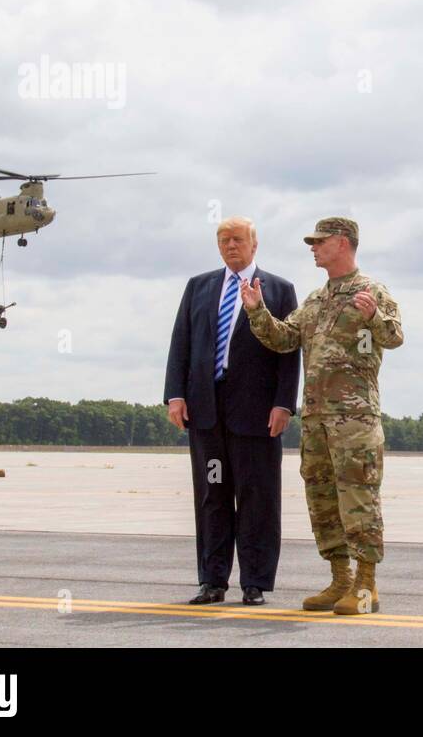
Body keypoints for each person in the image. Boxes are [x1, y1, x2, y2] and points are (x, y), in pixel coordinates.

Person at [242, 217, 402, 615]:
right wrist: (257, 311)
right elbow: (283, 339)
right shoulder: (314, 300)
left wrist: (374, 318)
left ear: (343, 243)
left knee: (359, 499)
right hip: (315, 420)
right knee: (323, 499)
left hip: (355, 419)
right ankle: (341, 579)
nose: (313, 248)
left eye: (320, 241)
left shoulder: (372, 291)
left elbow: (395, 337)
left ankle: (366, 586)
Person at [163, 217, 299, 607]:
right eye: (223, 240)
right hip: (207, 412)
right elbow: (181, 342)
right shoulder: (199, 286)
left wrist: (284, 403)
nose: (230, 245)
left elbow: (289, 352)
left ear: (254, 244)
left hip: (257, 415)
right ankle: (212, 580)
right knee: (212, 495)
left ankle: (255, 582)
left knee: (257, 497)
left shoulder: (279, 289)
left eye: (237, 239)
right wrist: (175, 395)